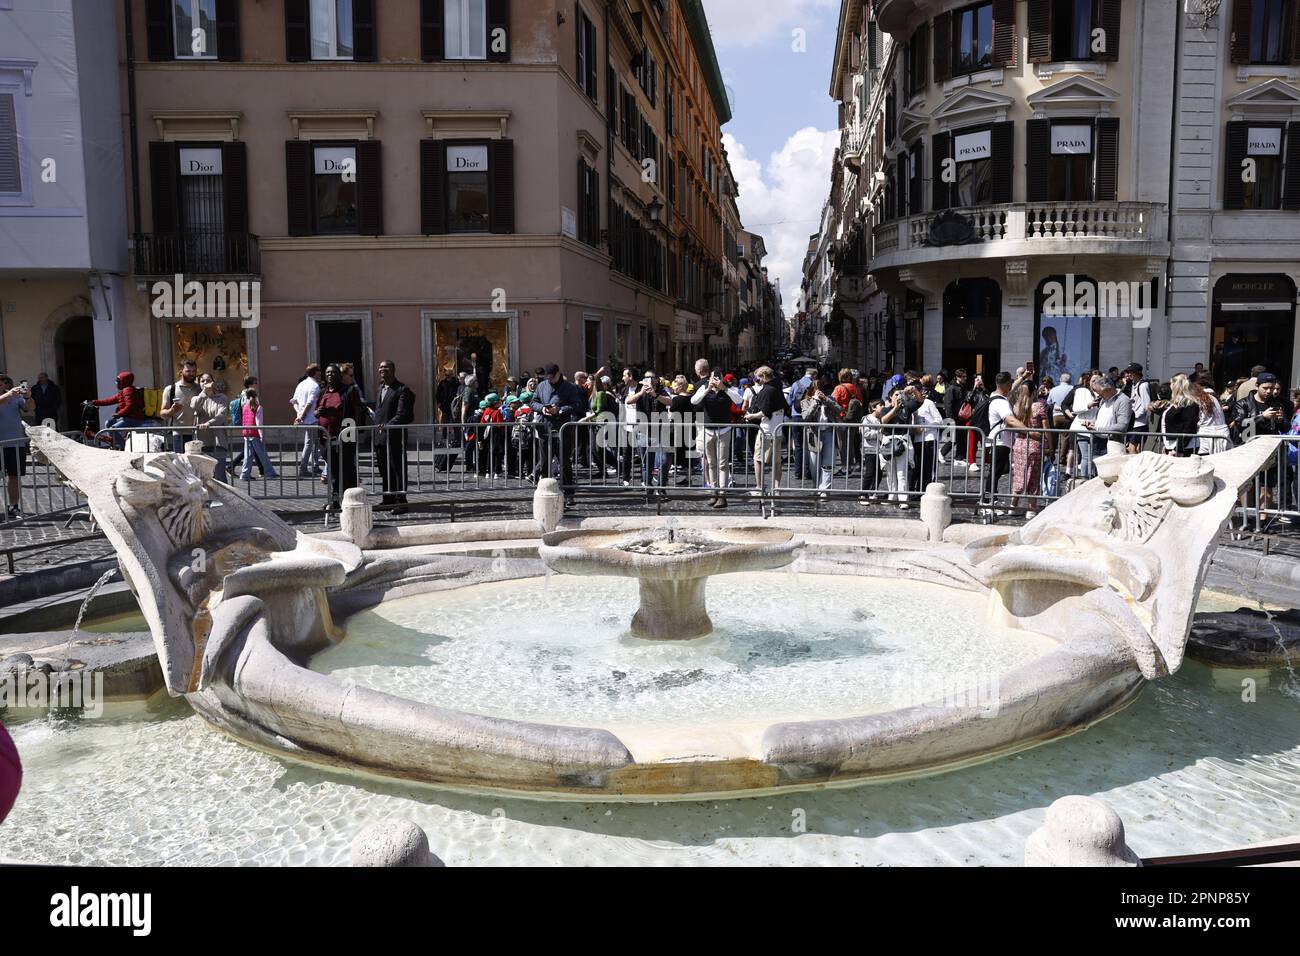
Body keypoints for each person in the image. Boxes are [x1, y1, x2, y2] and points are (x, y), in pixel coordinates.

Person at [530, 363, 587, 506]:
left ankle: (568, 494)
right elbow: (533, 402)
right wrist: (542, 408)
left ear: (558, 374)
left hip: (563, 430)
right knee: (544, 463)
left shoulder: (569, 387)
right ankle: (545, 491)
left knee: (564, 464)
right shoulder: (542, 385)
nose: (550, 379)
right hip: (545, 429)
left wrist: (560, 410)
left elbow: (577, 405)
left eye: (552, 377)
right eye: (547, 377)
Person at [315, 364, 364, 512]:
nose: (330, 375)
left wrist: (355, 431)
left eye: (333, 373)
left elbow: (358, 411)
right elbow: (316, 412)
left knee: (347, 469)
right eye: (327, 372)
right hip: (326, 439)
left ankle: (351, 499)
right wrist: (318, 412)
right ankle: (336, 500)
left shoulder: (349, 390)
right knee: (334, 472)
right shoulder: (323, 392)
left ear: (339, 375)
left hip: (344, 438)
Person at [373, 360, 415, 512]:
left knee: (397, 469)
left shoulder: (402, 389)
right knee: (384, 470)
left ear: (393, 370)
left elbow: (404, 414)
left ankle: (400, 501)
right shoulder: (380, 388)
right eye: (380, 367)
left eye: (385, 367)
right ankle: (387, 499)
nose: (382, 369)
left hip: (395, 436)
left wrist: (388, 426)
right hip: (380, 437)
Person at [691, 367, 735, 507]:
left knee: (722, 463)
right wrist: (707, 389)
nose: (715, 380)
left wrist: (724, 388)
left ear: (722, 378)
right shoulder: (704, 387)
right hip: (708, 430)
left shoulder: (727, 388)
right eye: (713, 378)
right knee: (711, 463)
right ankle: (713, 492)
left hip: (724, 430)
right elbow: (694, 401)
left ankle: (722, 495)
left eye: (718, 377)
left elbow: (738, 399)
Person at [1009, 381, 1051, 514]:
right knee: (1034, 476)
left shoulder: (1016, 406)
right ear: (1034, 392)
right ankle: (1031, 508)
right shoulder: (1038, 406)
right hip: (1034, 444)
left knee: (1019, 475)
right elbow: (1046, 427)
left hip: (1020, 443)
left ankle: (1013, 506)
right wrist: (1050, 445)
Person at [744, 366, 786, 495]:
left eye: (758, 377)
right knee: (777, 461)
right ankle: (776, 488)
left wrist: (752, 416)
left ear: (763, 376)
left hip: (767, 430)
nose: (757, 380)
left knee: (758, 459)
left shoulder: (767, 390)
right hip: (778, 430)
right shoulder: (779, 387)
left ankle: (759, 487)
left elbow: (765, 412)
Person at [799, 374, 841, 494]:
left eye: (821, 389)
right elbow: (806, 417)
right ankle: (816, 487)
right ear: (812, 390)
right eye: (816, 389)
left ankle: (825, 490)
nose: (819, 392)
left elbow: (839, 410)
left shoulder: (829, 399)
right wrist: (815, 402)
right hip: (814, 434)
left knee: (828, 464)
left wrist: (826, 400)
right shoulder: (805, 401)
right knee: (814, 465)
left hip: (828, 432)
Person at [0, 376, 34, 518]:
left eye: (5, 381)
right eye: (1, 380)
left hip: (15, 442)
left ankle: (13, 506)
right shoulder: (9, 395)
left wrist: (28, 397)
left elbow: (29, 408)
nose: (4, 383)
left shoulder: (14, 396)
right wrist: (7, 395)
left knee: (14, 476)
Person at [190, 372, 231, 482]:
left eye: (208, 380)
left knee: (220, 476)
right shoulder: (196, 398)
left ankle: (224, 498)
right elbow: (195, 407)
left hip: (218, 441)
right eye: (202, 381)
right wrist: (204, 392)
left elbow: (222, 415)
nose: (205, 383)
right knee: (204, 477)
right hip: (202, 442)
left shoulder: (222, 398)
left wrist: (209, 424)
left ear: (213, 382)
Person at [88, 371, 147, 446]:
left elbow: (130, 405)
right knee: (108, 423)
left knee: (112, 429)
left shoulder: (128, 390)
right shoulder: (123, 391)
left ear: (124, 381)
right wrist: (93, 402)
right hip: (127, 418)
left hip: (134, 419)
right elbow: (109, 400)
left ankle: (123, 447)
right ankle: (116, 443)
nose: (116, 383)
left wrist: (119, 414)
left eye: (118, 381)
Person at [986, 372, 1016, 504]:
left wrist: (1024, 377)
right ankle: (989, 499)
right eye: (1010, 383)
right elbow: (1010, 420)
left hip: (995, 440)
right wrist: (1028, 431)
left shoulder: (994, 396)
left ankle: (991, 496)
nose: (1011, 386)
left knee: (996, 471)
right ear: (1006, 384)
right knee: (995, 471)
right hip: (1000, 441)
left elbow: (1012, 389)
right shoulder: (1001, 403)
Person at [160, 359, 201, 454]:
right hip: (179, 434)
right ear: (180, 371)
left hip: (198, 434)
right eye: (188, 371)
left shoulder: (200, 388)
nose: (191, 374)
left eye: (194, 371)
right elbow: (162, 414)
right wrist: (171, 410)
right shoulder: (170, 389)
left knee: (196, 464)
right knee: (181, 464)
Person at [238, 389, 278, 481]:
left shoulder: (245, 407)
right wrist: (262, 435)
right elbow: (258, 422)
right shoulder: (258, 407)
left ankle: (244, 474)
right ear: (256, 396)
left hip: (246, 433)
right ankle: (270, 473)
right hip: (254, 433)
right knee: (262, 454)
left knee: (248, 455)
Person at [291, 364, 323, 477]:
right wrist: (302, 416)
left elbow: (294, 401)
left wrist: (298, 413)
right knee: (310, 443)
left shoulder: (301, 384)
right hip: (311, 419)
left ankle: (315, 465)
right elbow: (309, 403)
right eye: (319, 371)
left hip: (306, 418)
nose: (321, 373)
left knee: (314, 442)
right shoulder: (314, 386)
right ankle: (303, 468)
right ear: (315, 373)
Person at [1160, 374, 1202, 457]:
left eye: (1171, 383)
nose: (1170, 386)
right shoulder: (1175, 403)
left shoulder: (1190, 404)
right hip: (1172, 445)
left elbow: (1188, 427)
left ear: (1176, 385)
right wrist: (1166, 444)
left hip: (1184, 448)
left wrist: (1178, 449)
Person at [1122, 363, 1156, 453]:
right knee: (1133, 448)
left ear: (1137, 373)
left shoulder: (1143, 385)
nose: (1128, 375)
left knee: (1133, 449)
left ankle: (1136, 466)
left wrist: (1135, 415)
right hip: (1134, 423)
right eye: (1128, 372)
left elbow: (1146, 405)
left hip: (1140, 423)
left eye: (1131, 372)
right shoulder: (1133, 385)